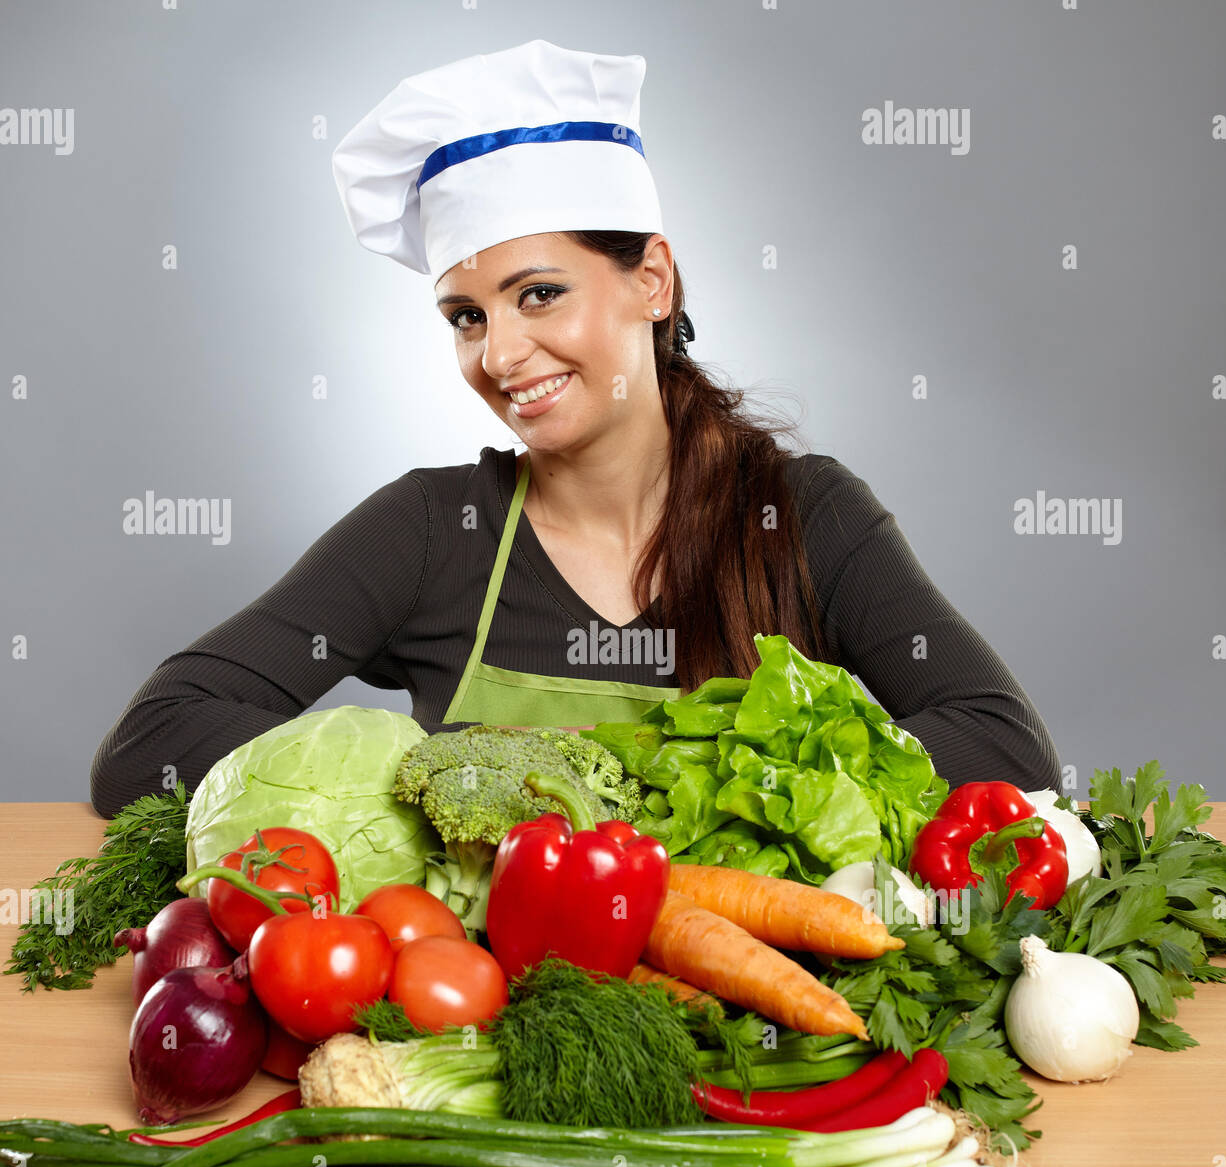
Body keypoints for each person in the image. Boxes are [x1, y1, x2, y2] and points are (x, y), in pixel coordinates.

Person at [90, 39, 1060, 819]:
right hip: (495, 1017)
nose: (501, 354)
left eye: (538, 295)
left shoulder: (803, 518)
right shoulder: (433, 531)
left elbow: (1006, 747)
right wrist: (441, 788)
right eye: (466, 316)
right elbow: (150, 745)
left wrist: (710, 792)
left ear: (652, 280)